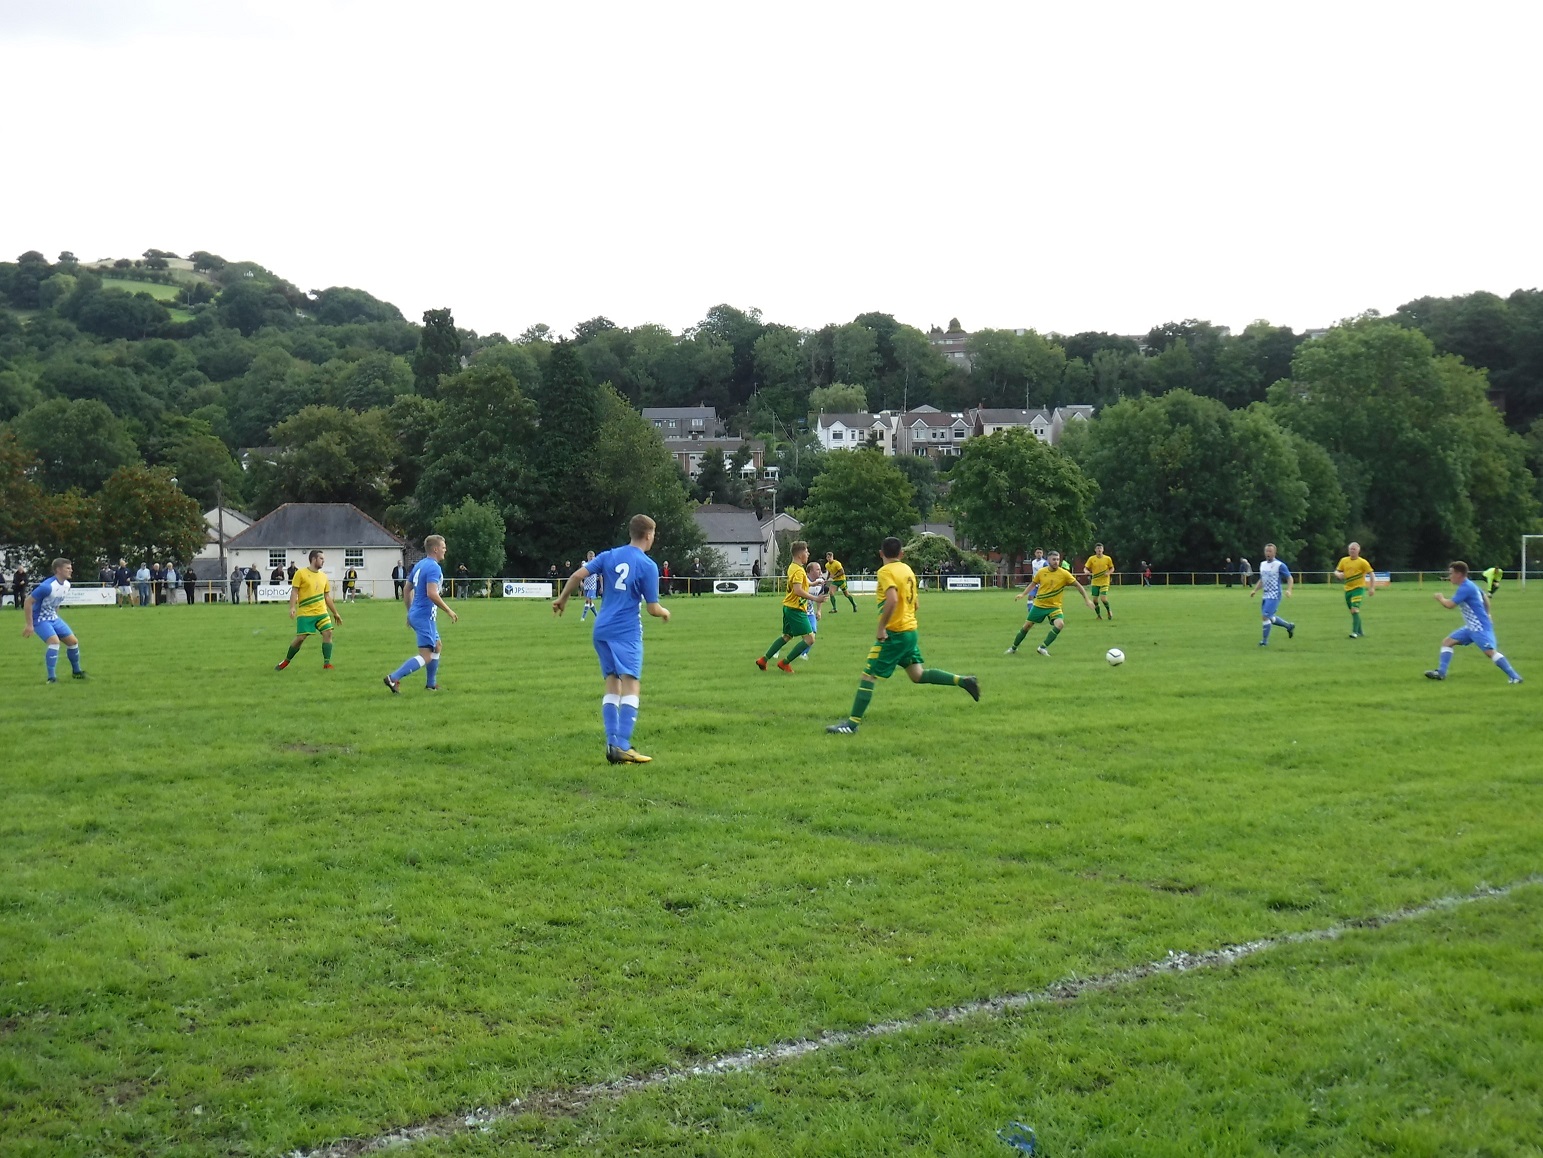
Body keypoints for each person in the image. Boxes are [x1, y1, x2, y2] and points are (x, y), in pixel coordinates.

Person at [826, 536, 979, 734]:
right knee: (917, 675)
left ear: (881, 553)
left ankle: (851, 725)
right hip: (910, 631)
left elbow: (892, 600)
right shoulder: (907, 570)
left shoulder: (885, 571)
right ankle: (963, 680)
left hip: (895, 633)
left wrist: (882, 627)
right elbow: (916, 604)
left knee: (868, 675)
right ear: (901, 554)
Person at [553, 513, 670, 764]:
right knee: (631, 684)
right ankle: (623, 744)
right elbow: (652, 608)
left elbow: (577, 576)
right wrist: (664, 612)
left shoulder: (609, 555)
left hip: (602, 630)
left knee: (612, 683)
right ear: (649, 535)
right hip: (626, 632)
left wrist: (562, 599)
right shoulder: (648, 565)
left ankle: (612, 744)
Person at [1425, 560, 1522, 684]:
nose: (1450, 576)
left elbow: (1450, 605)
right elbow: (1485, 598)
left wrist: (1440, 598)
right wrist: (1488, 614)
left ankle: (1515, 677)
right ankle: (1441, 673)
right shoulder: (1470, 585)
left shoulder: (1465, 588)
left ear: (1459, 574)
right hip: (1471, 627)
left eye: (1451, 573)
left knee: (1490, 652)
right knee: (1447, 642)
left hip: (1478, 627)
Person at [384, 534, 459, 693]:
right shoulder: (434, 567)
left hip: (419, 615)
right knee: (426, 655)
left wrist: (410, 612)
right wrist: (448, 610)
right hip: (425, 616)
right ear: (435, 549)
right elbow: (432, 593)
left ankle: (431, 684)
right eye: (443, 547)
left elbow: (407, 589)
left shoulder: (420, 565)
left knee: (437, 646)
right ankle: (393, 678)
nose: (445, 550)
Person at [1005, 550, 1095, 656]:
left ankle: (1042, 648)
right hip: (1039, 605)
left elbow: (1078, 585)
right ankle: (1013, 648)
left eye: (1058, 559)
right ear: (1048, 560)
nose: (1056, 562)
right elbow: (1033, 584)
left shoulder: (1064, 574)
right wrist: (1023, 594)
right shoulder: (1041, 572)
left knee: (1060, 624)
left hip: (1054, 606)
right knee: (1027, 626)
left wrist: (1087, 599)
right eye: (1054, 559)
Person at [756, 540, 826, 672]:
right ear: (800, 555)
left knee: (787, 636)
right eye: (806, 552)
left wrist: (813, 583)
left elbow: (798, 584)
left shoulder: (793, 567)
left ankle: (763, 660)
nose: (808, 554)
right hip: (796, 609)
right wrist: (816, 598)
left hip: (788, 606)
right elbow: (798, 590)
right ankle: (784, 663)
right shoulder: (799, 571)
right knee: (810, 639)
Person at [275, 550, 343, 671]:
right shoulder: (300, 573)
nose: (323, 561)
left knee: (328, 633)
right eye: (321, 558)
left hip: (321, 612)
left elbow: (327, 596)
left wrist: (335, 613)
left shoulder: (323, 576)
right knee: (301, 638)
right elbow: (294, 591)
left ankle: (327, 664)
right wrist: (292, 607)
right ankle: (286, 661)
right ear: (313, 559)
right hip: (306, 613)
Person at [22, 558, 87, 682]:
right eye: (68, 568)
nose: (71, 570)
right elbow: (28, 602)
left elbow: (56, 603)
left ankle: (76, 672)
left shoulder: (67, 585)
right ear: (58, 570)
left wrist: (56, 618)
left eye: (71, 568)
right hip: (40, 619)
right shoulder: (47, 586)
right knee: (54, 642)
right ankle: (51, 678)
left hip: (53, 618)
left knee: (73, 642)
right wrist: (30, 625)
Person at [1249, 543, 1295, 645]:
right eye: (1266, 551)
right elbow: (1262, 580)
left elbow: (1289, 578)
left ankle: (1264, 641)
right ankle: (1289, 626)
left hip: (1275, 594)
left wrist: (1289, 590)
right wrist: (1255, 590)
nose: (1268, 553)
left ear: (1274, 553)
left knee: (1265, 616)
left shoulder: (1279, 565)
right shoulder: (1262, 564)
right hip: (1266, 594)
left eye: (1270, 551)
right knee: (1269, 617)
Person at [1334, 542, 1375, 638]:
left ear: (1358, 551)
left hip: (1358, 589)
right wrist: (1338, 574)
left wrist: (1371, 588)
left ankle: (1354, 632)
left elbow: (1371, 574)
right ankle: (1360, 632)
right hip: (1348, 589)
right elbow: (1337, 571)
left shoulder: (1363, 562)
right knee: (1353, 611)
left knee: (1355, 609)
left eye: (1354, 549)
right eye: (1350, 549)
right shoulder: (1344, 560)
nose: (1352, 551)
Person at [1082, 542, 1115, 621]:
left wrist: (1108, 573)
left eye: (1100, 548)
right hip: (1095, 582)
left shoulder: (1107, 558)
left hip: (1104, 581)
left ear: (1103, 550)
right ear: (1095, 550)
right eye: (1098, 548)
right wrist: (1086, 571)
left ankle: (1109, 611)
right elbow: (1085, 568)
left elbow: (1112, 568)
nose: (1099, 550)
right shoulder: (1091, 559)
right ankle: (1099, 616)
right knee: (1095, 600)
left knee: (1103, 599)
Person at [802, 560, 826, 659]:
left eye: (820, 569)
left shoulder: (820, 583)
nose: (820, 572)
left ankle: (803, 654)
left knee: (813, 632)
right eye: (817, 569)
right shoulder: (804, 580)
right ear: (810, 571)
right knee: (788, 635)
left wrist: (819, 611)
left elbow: (820, 597)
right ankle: (775, 650)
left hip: (810, 612)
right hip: (799, 611)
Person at [580, 550, 599, 621]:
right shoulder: (585, 564)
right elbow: (581, 574)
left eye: (592, 556)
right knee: (590, 602)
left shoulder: (596, 565)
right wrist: (581, 581)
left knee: (587, 600)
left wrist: (602, 586)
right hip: (586, 584)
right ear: (587, 557)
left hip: (592, 586)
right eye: (590, 556)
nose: (591, 558)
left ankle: (583, 617)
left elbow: (600, 576)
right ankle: (597, 615)